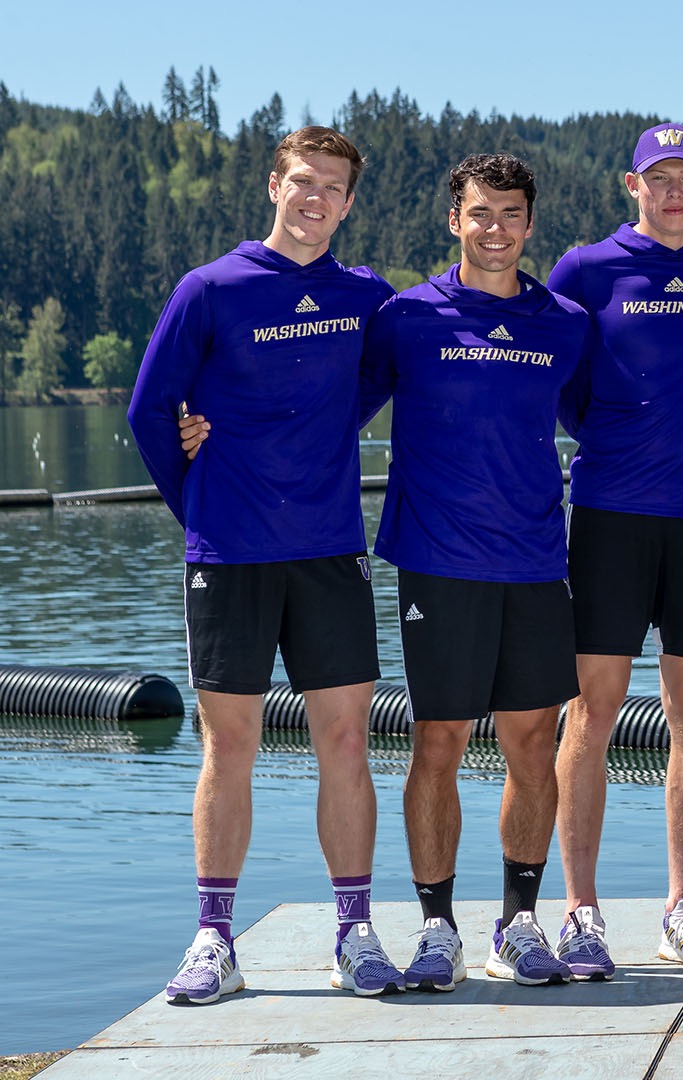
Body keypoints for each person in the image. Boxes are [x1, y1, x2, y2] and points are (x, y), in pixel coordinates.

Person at [128, 126, 404, 1004]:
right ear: (274, 187)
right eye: (302, 182)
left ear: (350, 202)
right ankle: (214, 940)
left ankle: (355, 931)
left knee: (346, 741)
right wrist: (200, 500)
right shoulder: (209, 289)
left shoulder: (365, 295)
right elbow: (147, 411)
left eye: (333, 186)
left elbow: (374, 384)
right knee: (229, 746)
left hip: (328, 552)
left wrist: (318, 438)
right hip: (231, 553)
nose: (316, 198)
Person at [357, 153, 589, 990]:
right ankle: (436, 929)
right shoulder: (406, 319)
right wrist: (211, 428)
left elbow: (612, 416)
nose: (496, 229)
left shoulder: (563, 322)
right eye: (480, 213)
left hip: (533, 563)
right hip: (437, 564)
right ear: (454, 220)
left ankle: (520, 924)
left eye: (511, 214)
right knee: (439, 741)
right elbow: (326, 410)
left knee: (533, 741)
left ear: (531, 225)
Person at [549, 123, 683, 974]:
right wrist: (617, 438)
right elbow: (558, 382)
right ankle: (581, 912)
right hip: (610, 517)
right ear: (630, 187)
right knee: (592, 715)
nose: (672, 192)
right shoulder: (585, 269)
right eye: (656, 178)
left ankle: (681, 908)